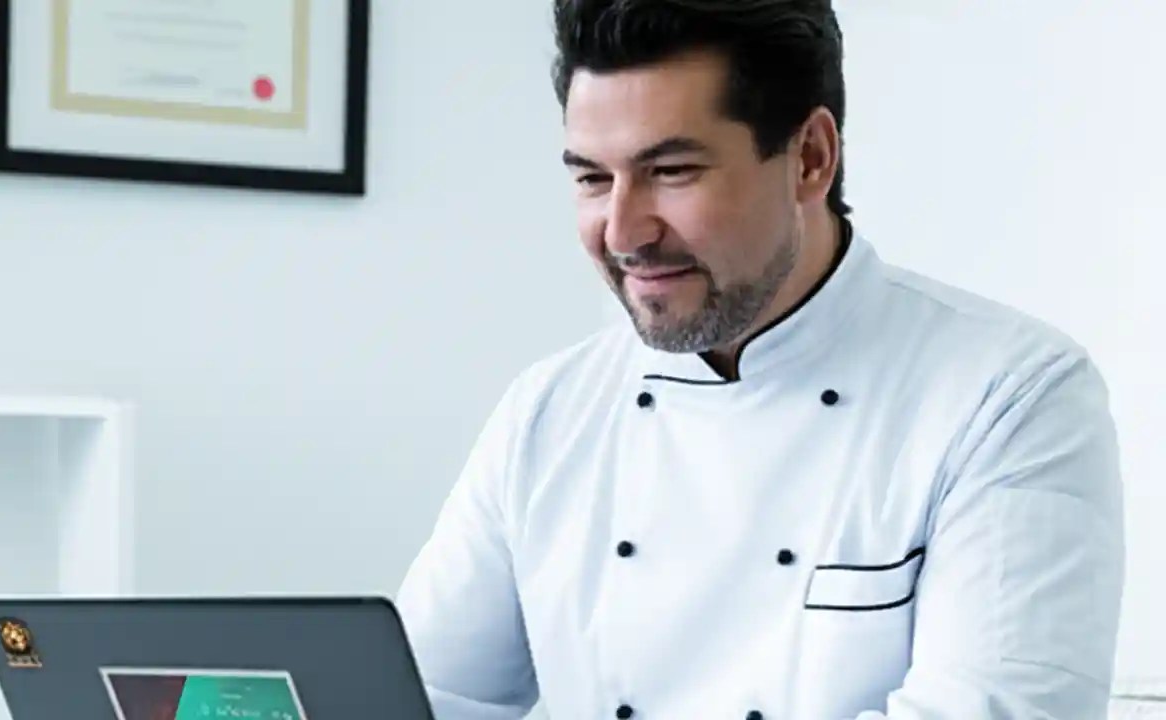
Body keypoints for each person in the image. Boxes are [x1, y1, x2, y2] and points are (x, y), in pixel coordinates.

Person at [396, 1, 1125, 718]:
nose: (622, 230)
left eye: (673, 171)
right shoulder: (548, 412)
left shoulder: (1010, 396)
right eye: (592, 178)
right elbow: (418, 697)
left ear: (810, 158)